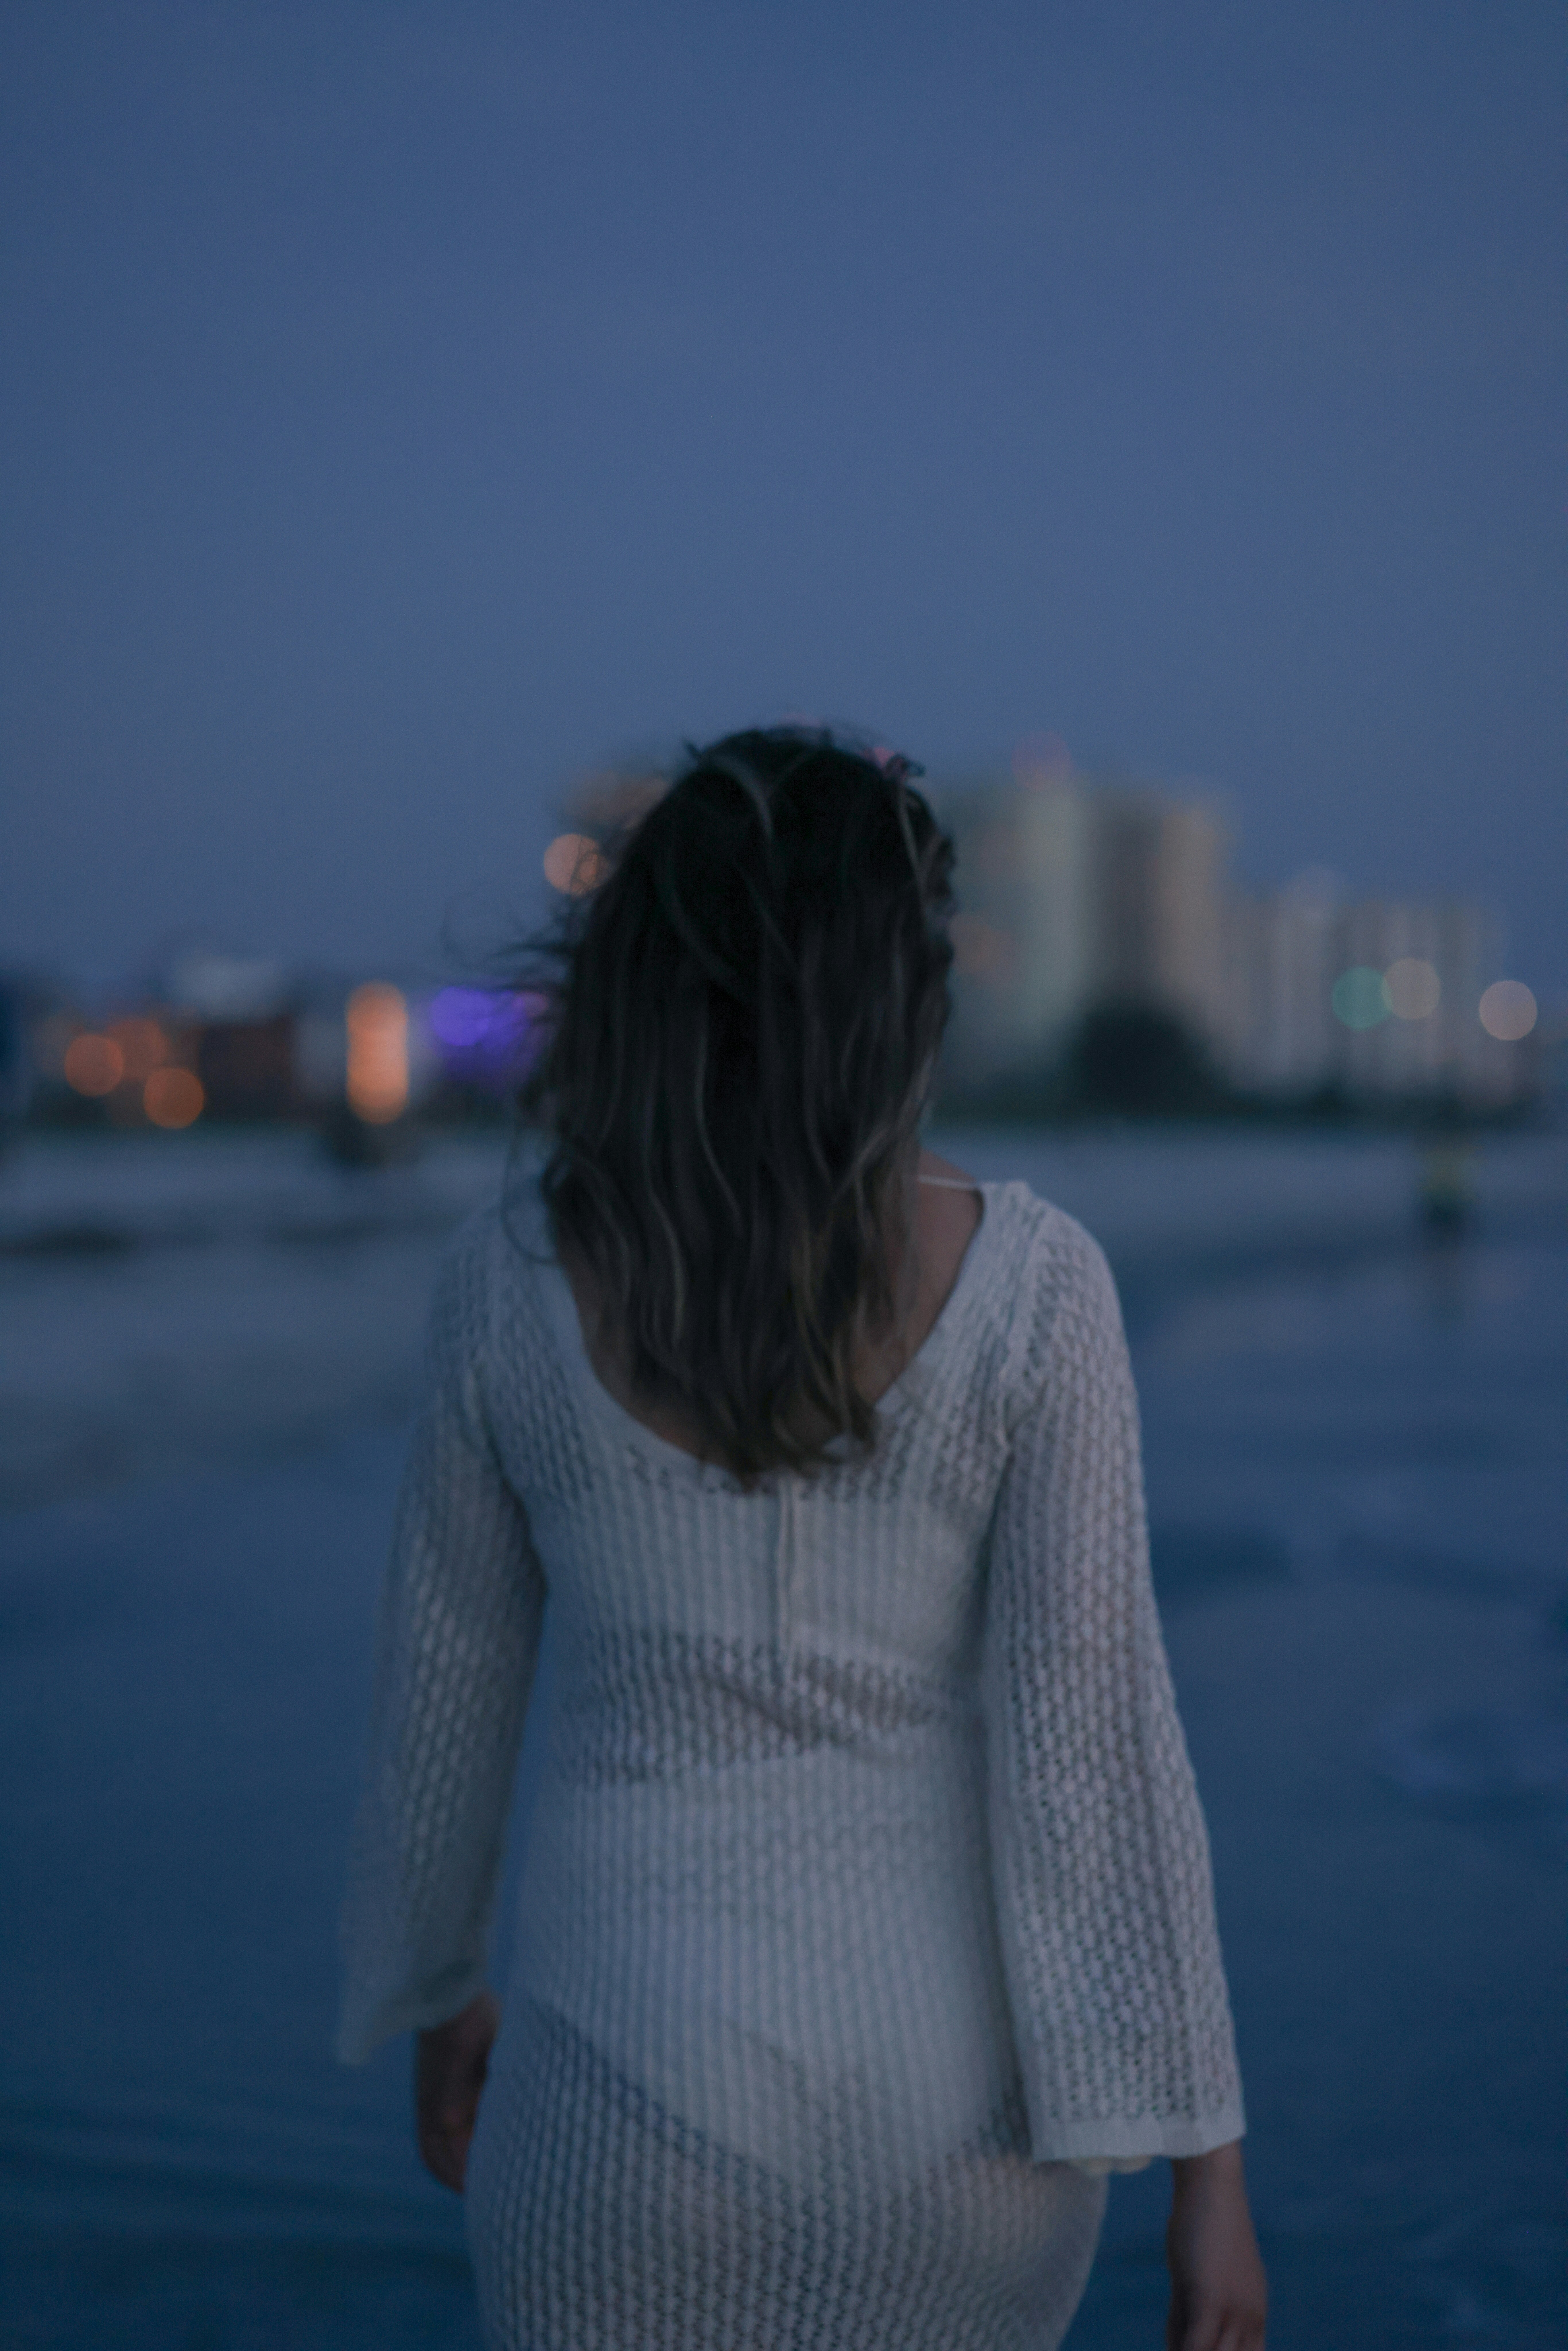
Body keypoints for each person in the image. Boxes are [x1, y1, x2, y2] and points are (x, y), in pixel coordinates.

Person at [336, 727, 1267, 2350]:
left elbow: (447, 1697)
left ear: (646, 977)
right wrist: (1210, 2172)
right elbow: (1094, 1750)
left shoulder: (508, 1283)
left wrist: (437, 1993)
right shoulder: (1033, 1287)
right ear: (902, 994)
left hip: (616, 2116)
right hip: (956, 2140)